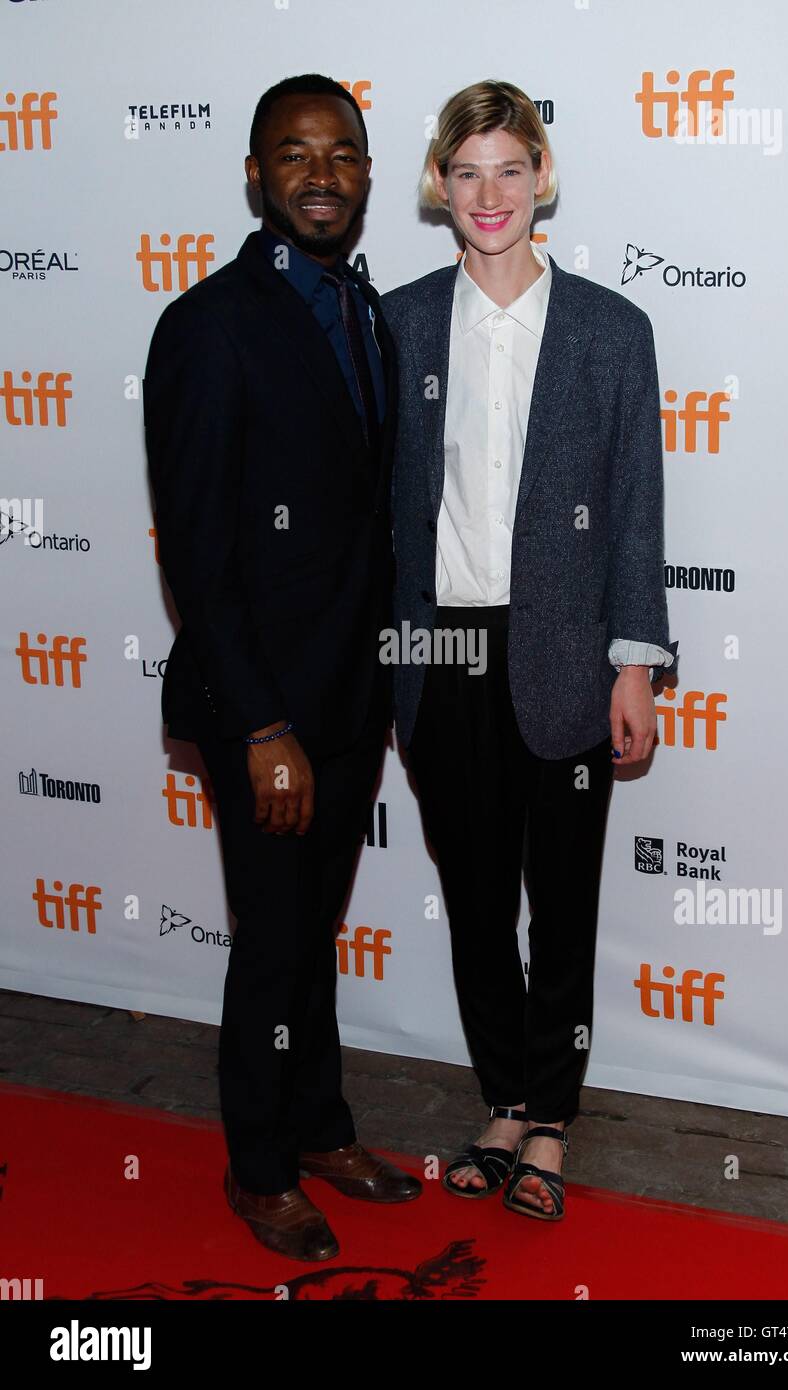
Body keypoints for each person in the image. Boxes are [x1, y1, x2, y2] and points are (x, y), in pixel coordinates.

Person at [382, 80, 675, 1222]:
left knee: (560, 902)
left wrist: (635, 661)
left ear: (541, 175)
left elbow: (636, 504)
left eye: (510, 167)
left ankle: (548, 1118)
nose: (489, 193)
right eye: (467, 171)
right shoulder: (397, 320)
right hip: (440, 653)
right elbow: (380, 509)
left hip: (564, 653)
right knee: (470, 902)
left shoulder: (611, 330)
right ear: (439, 186)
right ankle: (500, 1096)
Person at [144, 73, 421, 1263]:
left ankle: (318, 1125)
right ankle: (257, 1166)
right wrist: (260, 726)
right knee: (270, 937)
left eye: (342, 153)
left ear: (366, 174)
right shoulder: (208, 325)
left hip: (351, 695)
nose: (320, 173)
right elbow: (200, 553)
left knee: (312, 929)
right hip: (263, 706)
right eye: (292, 155)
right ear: (254, 177)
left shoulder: (367, 312)